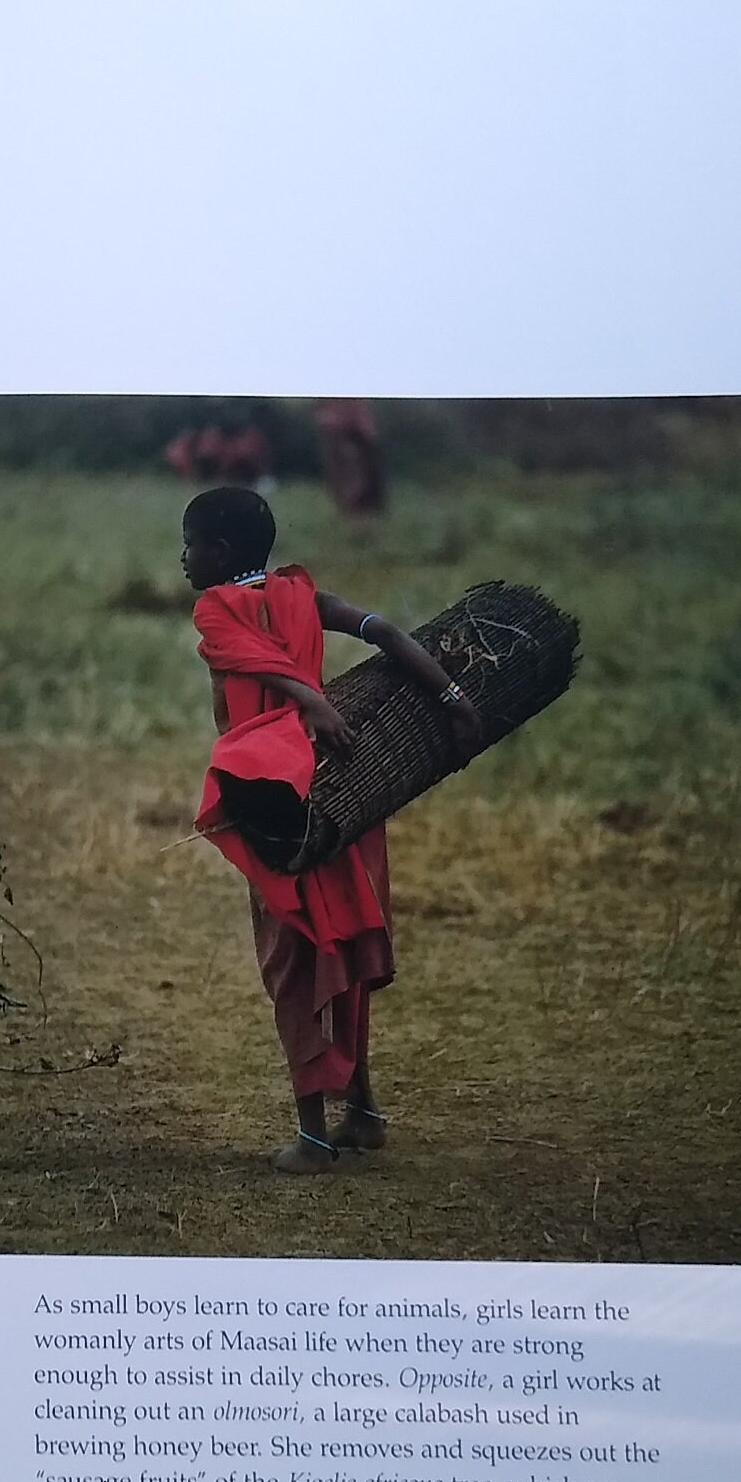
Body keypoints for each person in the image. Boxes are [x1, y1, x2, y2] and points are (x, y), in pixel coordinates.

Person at [181, 486, 478, 1172]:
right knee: (334, 959)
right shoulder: (302, 598)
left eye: (191, 544)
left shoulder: (216, 607)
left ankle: (314, 1137)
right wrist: (454, 698)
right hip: (344, 793)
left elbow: (256, 664)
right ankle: (363, 1112)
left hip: (279, 803)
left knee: (292, 964)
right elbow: (387, 632)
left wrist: (311, 701)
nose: (184, 559)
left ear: (220, 552)